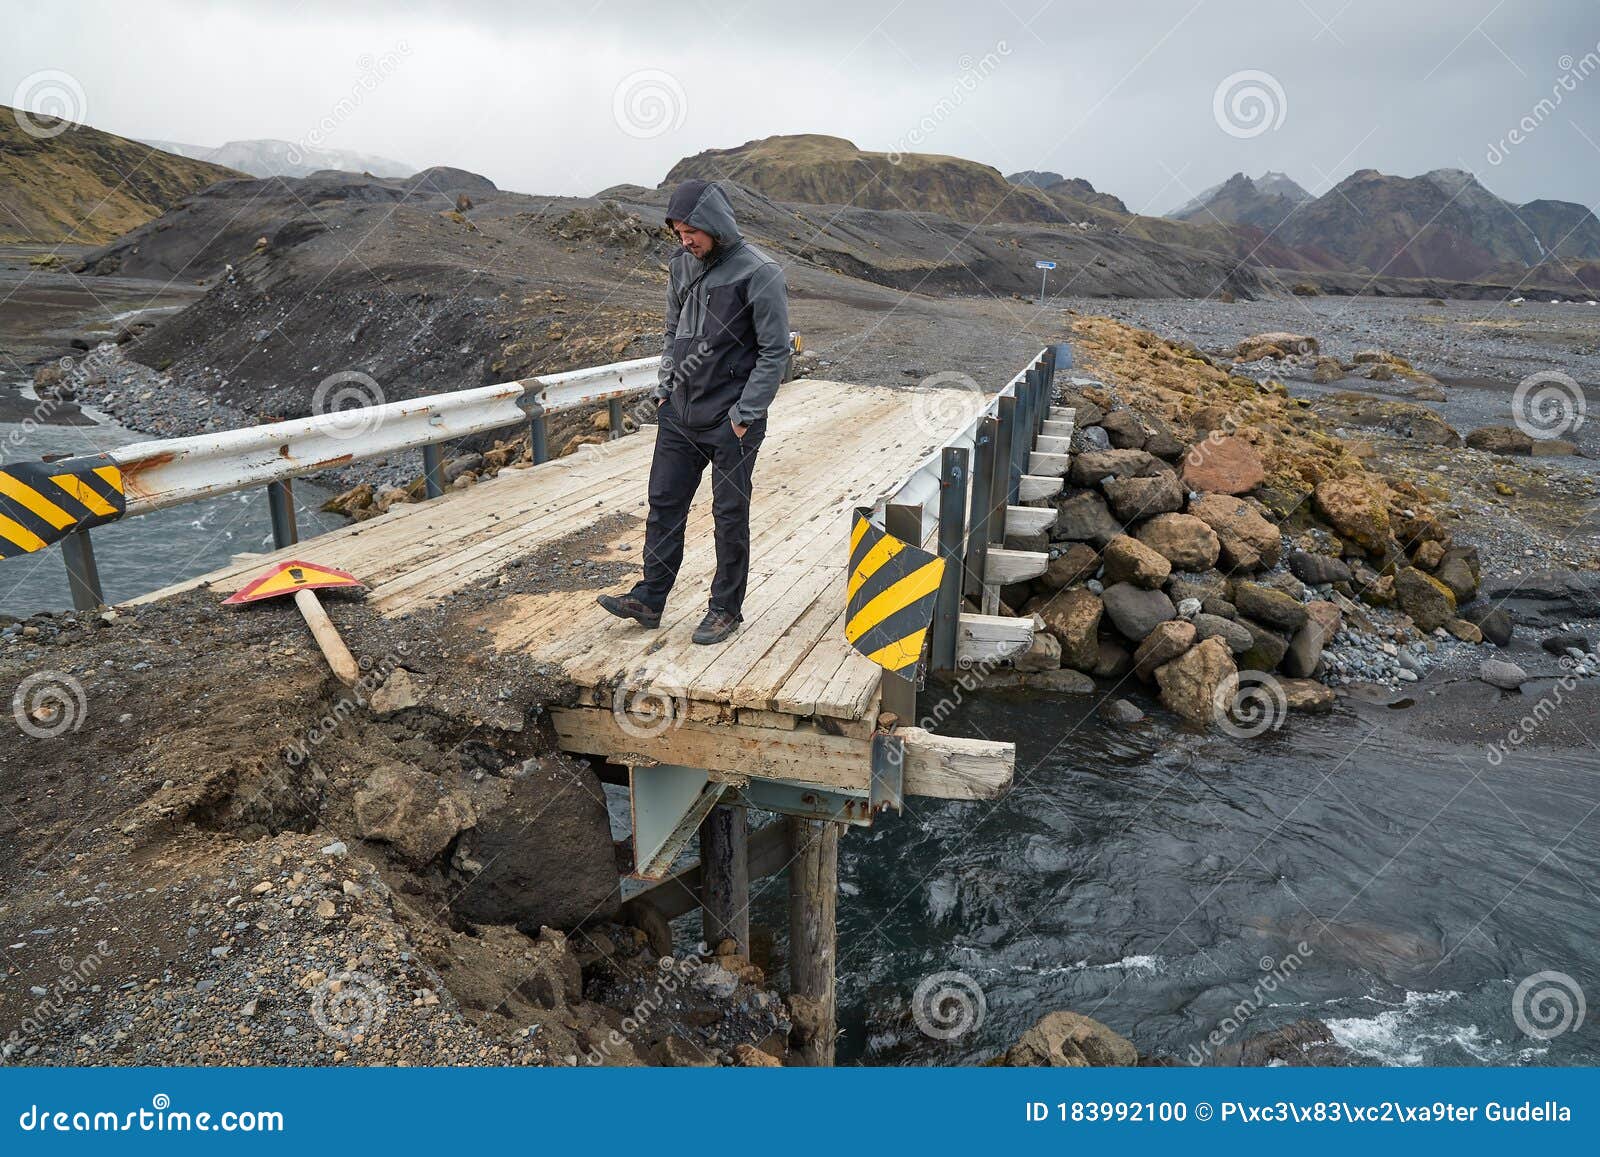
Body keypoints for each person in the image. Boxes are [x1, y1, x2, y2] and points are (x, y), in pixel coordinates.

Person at [597, 179, 790, 645]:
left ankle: (725, 609)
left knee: (728, 515)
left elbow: (775, 352)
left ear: (715, 224)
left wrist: (745, 414)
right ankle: (649, 598)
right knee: (664, 504)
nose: (686, 241)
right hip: (679, 414)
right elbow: (671, 333)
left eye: (692, 232)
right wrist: (664, 390)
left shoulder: (759, 272)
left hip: (730, 422)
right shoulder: (682, 265)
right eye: (679, 233)